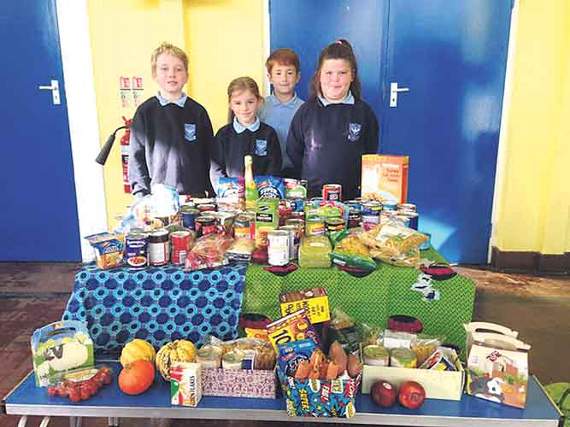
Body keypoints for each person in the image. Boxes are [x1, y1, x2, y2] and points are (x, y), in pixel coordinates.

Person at [286, 39, 379, 200]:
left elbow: (370, 151)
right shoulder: (306, 112)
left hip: (352, 199)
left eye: (342, 73)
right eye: (328, 73)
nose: (335, 79)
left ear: (352, 76)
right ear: (319, 75)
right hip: (314, 198)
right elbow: (294, 151)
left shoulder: (364, 113)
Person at [128, 42, 214, 199]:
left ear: (187, 76)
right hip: (159, 199)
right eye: (164, 68)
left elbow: (210, 156)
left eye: (178, 69)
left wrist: (212, 193)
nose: (171, 74)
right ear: (154, 74)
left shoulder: (198, 112)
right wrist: (141, 197)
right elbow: (136, 159)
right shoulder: (145, 112)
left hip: (195, 197)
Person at [210, 77, 282, 191]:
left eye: (250, 102)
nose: (244, 108)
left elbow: (274, 169)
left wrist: (263, 190)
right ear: (230, 104)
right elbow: (216, 171)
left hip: (262, 199)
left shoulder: (269, 134)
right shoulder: (223, 135)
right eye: (238, 103)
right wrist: (228, 192)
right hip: (231, 201)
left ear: (258, 102)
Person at [259, 48, 304, 177]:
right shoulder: (260, 107)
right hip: (265, 174)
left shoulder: (305, 109)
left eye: (289, 73)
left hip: (296, 174)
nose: (284, 79)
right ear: (269, 77)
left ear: (298, 77)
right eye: (278, 73)